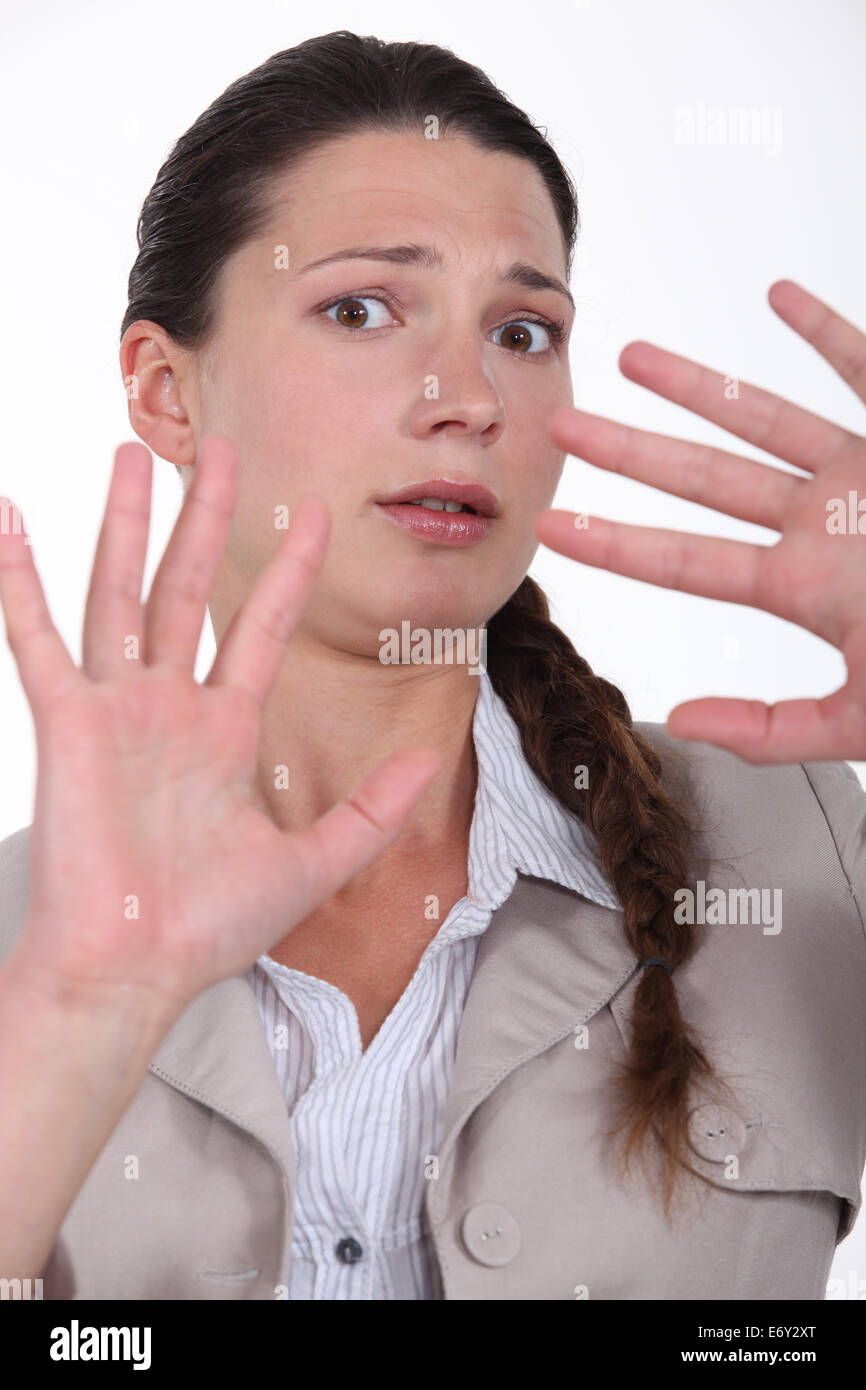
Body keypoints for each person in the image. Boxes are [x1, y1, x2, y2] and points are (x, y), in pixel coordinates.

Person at [0, 30, 864, 1302]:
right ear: (165, 389)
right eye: (359, 309)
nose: (467, 395)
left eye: (522, 330)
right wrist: (75, 1019)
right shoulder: (32, 940)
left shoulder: (802, 854)